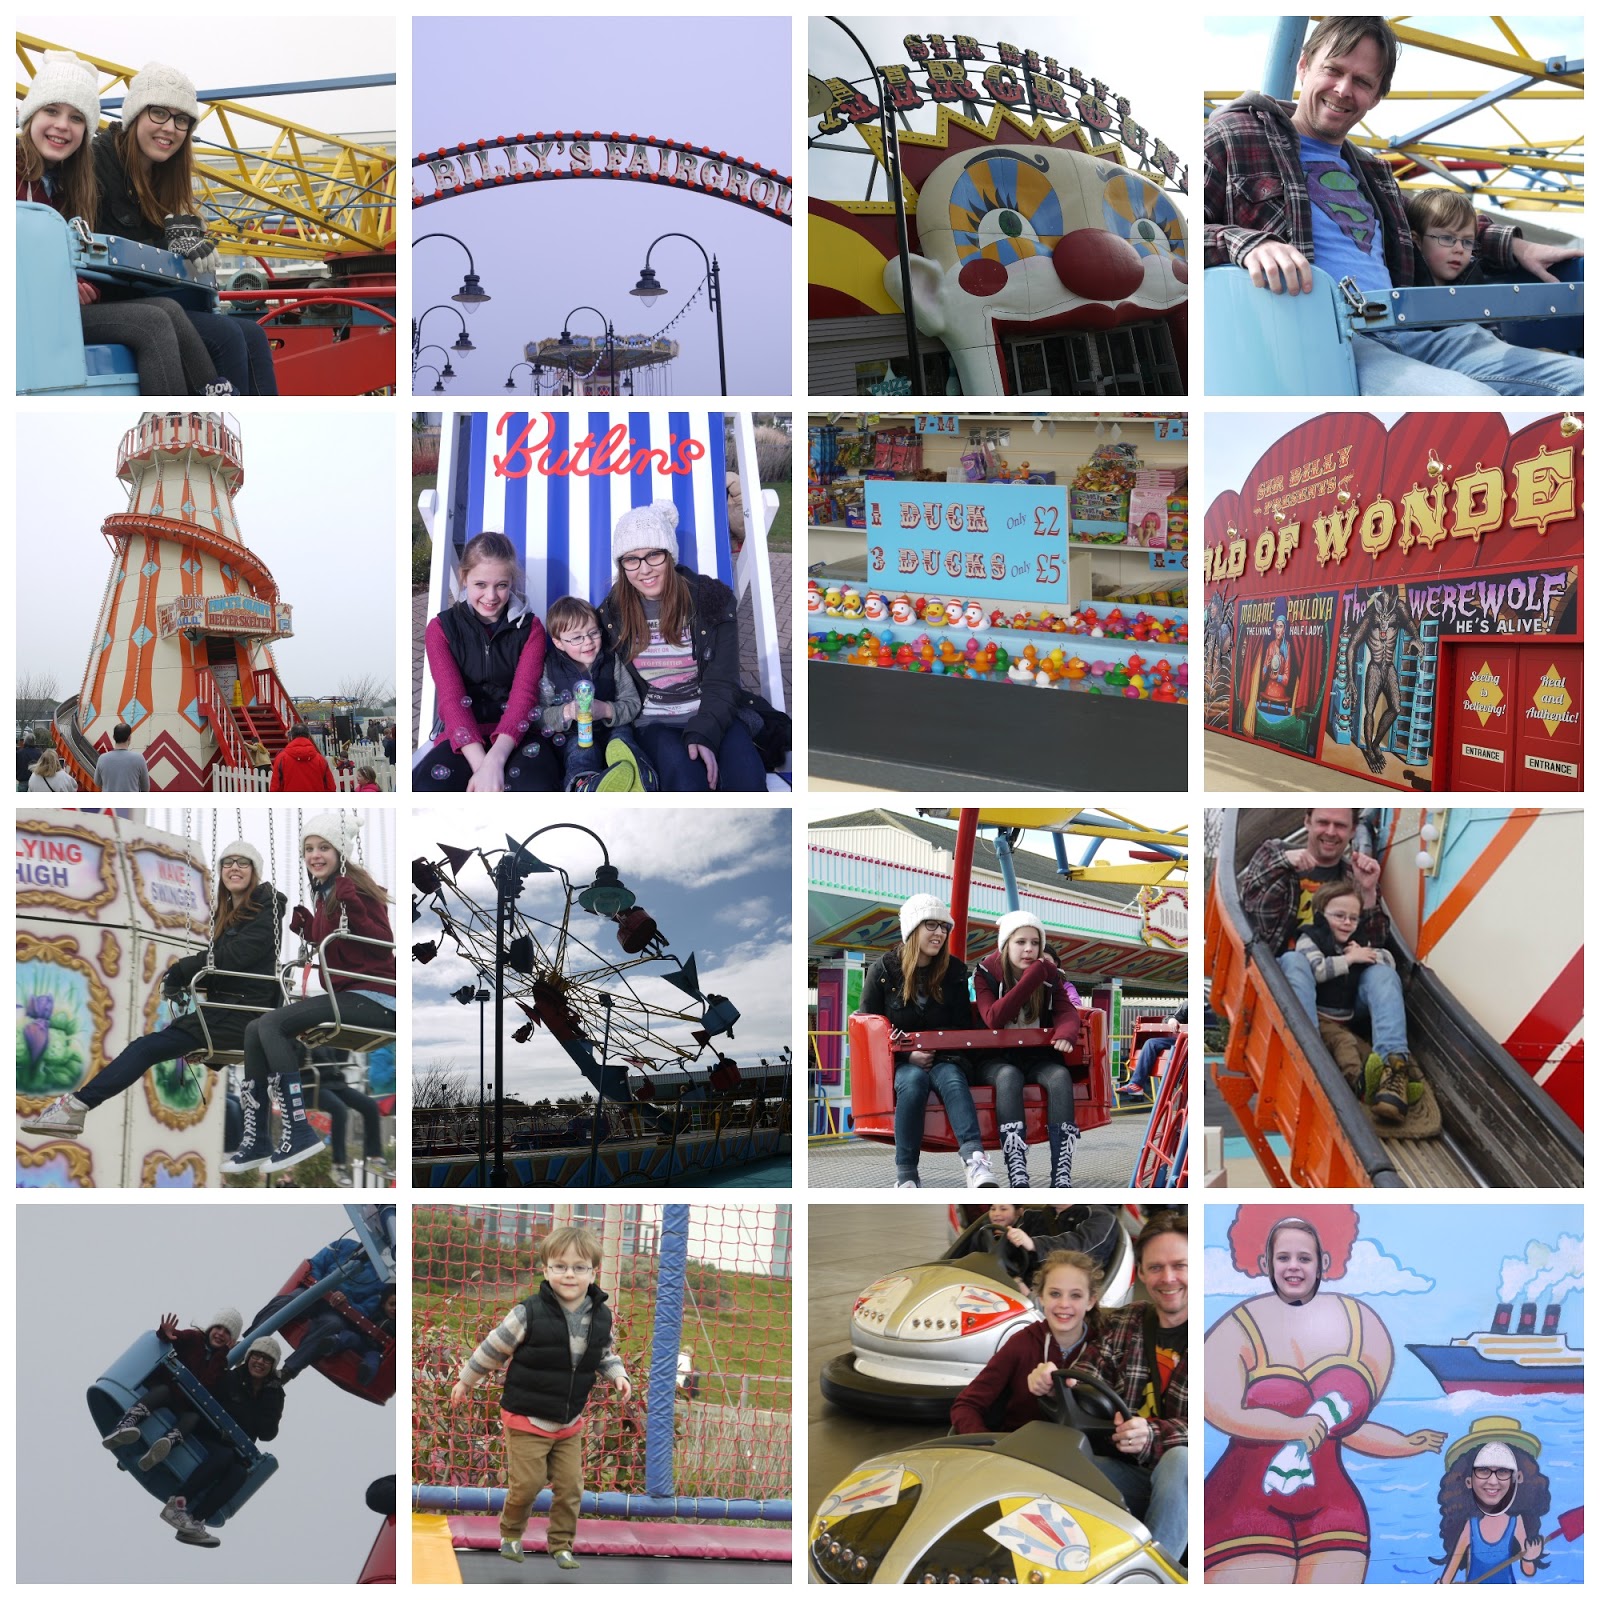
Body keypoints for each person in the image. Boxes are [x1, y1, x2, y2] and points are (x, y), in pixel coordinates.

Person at [1204, 16, 1583, 397]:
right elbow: (1180, 240)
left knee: (1580, 382)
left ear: (1377, 96)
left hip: (1411, 328)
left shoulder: (1371, 171)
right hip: (1327, 342)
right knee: (1468, 402)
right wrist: (1249, 243)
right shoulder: (1235, 136)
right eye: (1333, 70)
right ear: (1304, 66)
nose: (1343, 89)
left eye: (1363, 82)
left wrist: (1519, 246)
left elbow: (1429, 223)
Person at [1203, 1208, 1445, 1581]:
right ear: (1267, 1262)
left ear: (1323, 1262)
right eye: (1283, 1258)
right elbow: (1220, 1411)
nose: (1293, 1267)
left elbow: (1343, 1427)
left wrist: (1405, 1443)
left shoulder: (1360, 1323)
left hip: (1333, 1508)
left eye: (1304, 1257)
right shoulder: (1237, 1329)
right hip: (1242, 1506)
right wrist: (1293, 1428)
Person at [22, 841, 286, 1137]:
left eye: (243, 862)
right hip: (227, 1010)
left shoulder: (268, 907)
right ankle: (76, 1108)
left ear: (255, 872)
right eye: (228, 862)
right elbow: (226, 969)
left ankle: (76, 1107)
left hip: (241, 1013)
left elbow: (239, 956)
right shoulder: (229, 917)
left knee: (145, 1048)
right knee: (146, 1047)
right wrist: (184, 979)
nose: (234, 868)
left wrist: (182, 969)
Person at [16, 51, 218, 396]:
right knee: (154, 322)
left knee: (172, 311)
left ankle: (216, 392)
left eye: (77, 118)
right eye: (52, 110)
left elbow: (75, 248)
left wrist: (79, 280)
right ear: (29, 114)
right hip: (28, 312)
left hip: (55, 308)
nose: (63, 125)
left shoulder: (67, 184)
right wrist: (65, 280)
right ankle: (183, 409)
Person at [449, 1225, 633, 1570]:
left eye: (579, 1268)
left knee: (571, 1487)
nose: (569, 1274)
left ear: (593, 1272)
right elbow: (493, 1349)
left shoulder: (601, 1315)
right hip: (526, 1416)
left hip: (569, 1422)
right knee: (529, 1484)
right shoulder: (528, 1312)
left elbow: (604, 1353)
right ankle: (511, 1534)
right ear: (546, 1270)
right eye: (560, 1266)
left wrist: (619, 1375)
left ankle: (561, 1544)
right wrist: (466, 1381)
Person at [92, 62, 279, 396]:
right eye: (159, 113)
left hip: (146, 297)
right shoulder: (98, 162)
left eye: (182, 120)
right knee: (227, 336)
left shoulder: (164, 180)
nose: (171, 128)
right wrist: (169, 243)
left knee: (254, 334)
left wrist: (182, 241)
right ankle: (219, 415)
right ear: (135, 114)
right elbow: (101, 240)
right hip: (110, 300)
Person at [224, 813, 394, 1174]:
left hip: (377, 998)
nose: (315, 855)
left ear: (340, 852)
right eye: (309, 849)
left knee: (272, 1025)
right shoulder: (326, 892)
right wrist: (311, 933)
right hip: (349, 994)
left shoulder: (357, 889)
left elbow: (382, 943)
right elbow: (342, 947)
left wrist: (357, 908)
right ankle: (257, 1141)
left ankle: (298, 1130)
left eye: (324, 848)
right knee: (256, 1029)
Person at [1238, 806, 1419, 1089]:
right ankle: (1310, 1059)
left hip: (1343, 993)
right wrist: (1284, 862)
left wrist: (1368, 892)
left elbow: (1374, 943)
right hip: (1291, 985)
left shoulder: (1352, 875)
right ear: (1307, 822)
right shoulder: (1276, 854)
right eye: (1323, 822)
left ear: (1350, 831)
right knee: (1295, 960)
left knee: (1383, 975)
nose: (1331, 832)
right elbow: (1252, 908)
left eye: (1340, 825)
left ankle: (1392, 1069)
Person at [598, 500, 767, 792]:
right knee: (684, 777)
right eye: (631, 559)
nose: (644, 569)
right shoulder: (612, 615)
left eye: (654, 555)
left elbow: (723, 681)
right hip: (653, 722)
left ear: (670, 555)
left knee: (746, 777)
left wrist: (704, 732)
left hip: (712, 710)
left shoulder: (711, 601)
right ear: (622, 565)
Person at [1066, 1210, 1190, 1567]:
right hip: (1136, 1471)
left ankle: (1153, 1574)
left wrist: (1150, 1434)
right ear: (1142, 1274)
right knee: (1057, 1462)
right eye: (1155, 1268)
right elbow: (1090, 1373)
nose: (1167, 1278)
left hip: (1202, 1481)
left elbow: (1217, 1427)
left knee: (1179, 1459)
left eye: (1180, 1266)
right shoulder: (1126, 1320)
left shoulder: (1223, 1331)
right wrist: (1058, 1382)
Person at [860, 893, 996, 1190]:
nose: (939, 933)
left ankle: (974, 1158)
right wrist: (907, 1055)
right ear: (912, 930)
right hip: (903, 1061)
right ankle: (906, 1174)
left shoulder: (955, 971)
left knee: (952, 1080)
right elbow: (869, 1027)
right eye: (931, 925)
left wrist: (936, 1048)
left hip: (945, 1056)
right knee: (912, 1084)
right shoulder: (882, 971)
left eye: (944, 927)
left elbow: (961, 1024)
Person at [420, 531, 560, 793]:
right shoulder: (440, 629)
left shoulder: (531, 629)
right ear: (464, 578)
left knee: (537, 788)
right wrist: (481, 764)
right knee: (427, 787)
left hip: (517, 736)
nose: (491, 596)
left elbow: (524, 696)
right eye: (480, 585)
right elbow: (451, 700)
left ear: (512, 582)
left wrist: (495, 760)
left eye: (502, 585)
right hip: (461, 737)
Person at [971, 909, 1083, 1188]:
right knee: (1008, 1077)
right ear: (1006, 944)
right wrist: (1032, 977)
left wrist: (1066, 1032)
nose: (1029, 949)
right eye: (1021, 942)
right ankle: (1017, 1168)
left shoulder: (1050, 975)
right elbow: (994, 1018)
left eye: (1035, 943)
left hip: (1035, 1055)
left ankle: (1062, 1172)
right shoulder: (985, 973)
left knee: (1059, 1076)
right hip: (996, 1057)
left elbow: (1065, 1010)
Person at [1295, 880, 1421, 1121]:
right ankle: (1359, 1086)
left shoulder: (1356, 940)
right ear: (1321, 914)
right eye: (1339, 915)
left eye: (1353, 918)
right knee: (1347, 1047)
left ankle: (1395, 1072)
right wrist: (1350, 959)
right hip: (1322, 1016)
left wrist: (1367, 954)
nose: (1347, 923)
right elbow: (1317, 971)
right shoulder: (1310, 938)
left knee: (1382, 977)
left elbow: (1388, 964)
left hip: (1350, 1013)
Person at [950, 1249, 1103, 1434]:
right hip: (1020, 1453)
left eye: (1076, 1295)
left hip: (1079, 1456)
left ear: (1090, 1301)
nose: (1064, 1304)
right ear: (1041, 1298)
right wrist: (986, 1449)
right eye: (1055, 1294)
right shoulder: (1022, 1343)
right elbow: (966, 1405)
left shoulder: (1104, 1348)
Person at [171, 1335, 287, 1547]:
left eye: (266, 1360)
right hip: (209, 1434)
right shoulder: (231, 1378)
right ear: (249, 1357)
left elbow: (267, 1433)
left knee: (239, 1473)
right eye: (257, 1356)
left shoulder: (273, 1393)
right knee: (223, 1456)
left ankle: (194, 1522)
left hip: (234, 1450)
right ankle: (177, 1506)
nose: (260, 1362)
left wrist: (270, 1397)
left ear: (272, 1367)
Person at [100, 1306, 242, 1472]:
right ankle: (125, 1425)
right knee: (163, 1391)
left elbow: (209, 1382)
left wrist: (222, 1354)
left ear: (231, 1341)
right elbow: (174, 1337)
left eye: (227, 1332)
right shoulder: (194, 1338)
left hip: (183, 1404)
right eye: (218, 1328)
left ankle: (164, 1446)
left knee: (193, 1417)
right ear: (211, 1328)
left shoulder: (220, 1364)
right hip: (167, 1388)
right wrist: (164, 1332)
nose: (220, 1334)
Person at [243, 1233, 391, 1384]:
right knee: (286, 1302)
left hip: (336, 1311)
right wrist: (322, 1285)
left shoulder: (382, 1277)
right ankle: (246, 1343)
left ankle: (287, 1372)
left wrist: (347, 1303)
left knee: (333, 1325)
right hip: (314, 1294)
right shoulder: (344, 1246)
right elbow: (317, 1264)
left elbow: (368, 1308)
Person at [537, 594, 648, 791]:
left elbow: (632, 702)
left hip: (613, 728)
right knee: (580, 753)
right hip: (574, 734)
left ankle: (635, 776)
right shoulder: (550, 667)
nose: (588, 642)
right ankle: (586, 785)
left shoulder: (611, 661)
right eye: (577, 637)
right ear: (558, 643)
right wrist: (568, 712)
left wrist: (606, 710)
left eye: (593, 633)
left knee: (622, 741)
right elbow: (540, 716)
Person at [1433, 1419, 1551, 1583]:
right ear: (1468, 1481)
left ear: (1517, 1478)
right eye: (1483, 1470)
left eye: (1502, 1471)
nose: (1493, 1481)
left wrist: (1529, 1558)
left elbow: (1528, 1571)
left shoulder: (1516, 1522)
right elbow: (1450, 1570)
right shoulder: (1471, 1526)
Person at [1123, 1002, 1189, 1099]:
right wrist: (1172, 1020)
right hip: (1184, 1041)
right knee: (1151, 1043)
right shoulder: (1189, 1005)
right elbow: (1170, 1016)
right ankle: (1136, 1084)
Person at [269, 724, 336, 791]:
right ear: (309, 736)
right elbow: (330, 787)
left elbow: (275, 787)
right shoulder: (320, 760)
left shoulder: (281, 758)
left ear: (291, 737)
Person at [94, 722, 150, 791]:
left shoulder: (102, 758)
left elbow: (97, 782)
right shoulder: (139, 758)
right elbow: (145, 787)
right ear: (129, 738)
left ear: (114, 737)